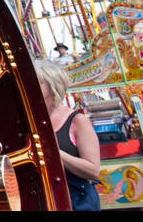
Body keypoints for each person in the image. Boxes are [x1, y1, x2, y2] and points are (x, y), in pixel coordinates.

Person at [35, 59, 101, 210]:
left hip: (78, 201)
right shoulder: (31, 121)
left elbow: (93, 170)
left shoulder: (77, 121)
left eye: (38, 82)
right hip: (44, 200)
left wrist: (56, 154)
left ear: (53, 87)